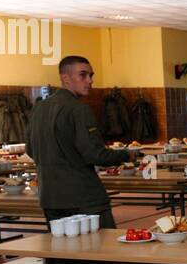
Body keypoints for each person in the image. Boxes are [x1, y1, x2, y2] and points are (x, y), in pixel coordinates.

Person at [26, 54, 130, 229]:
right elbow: (95, 154)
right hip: (84, 197)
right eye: (83, 75)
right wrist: (127, 155)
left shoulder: (39, 108)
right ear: (65, 78)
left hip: (50, 197)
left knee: (61, 252)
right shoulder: (78, 109)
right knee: (104, 250)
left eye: (91, 75)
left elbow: (30, 150)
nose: (90, 81)